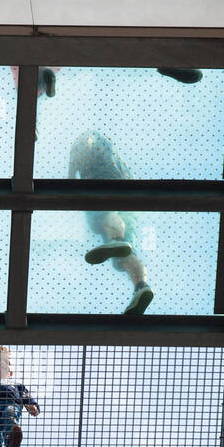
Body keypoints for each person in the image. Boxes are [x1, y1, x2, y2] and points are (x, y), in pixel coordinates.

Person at [68, 132, 154, 315]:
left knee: (100, 215)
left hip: (101, 183)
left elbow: (72, 176)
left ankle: (115, 240)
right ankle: (141, 286)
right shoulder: (117, 157)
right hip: (131, 195)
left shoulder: (83, 140)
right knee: (125, 252)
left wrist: (72, 193)